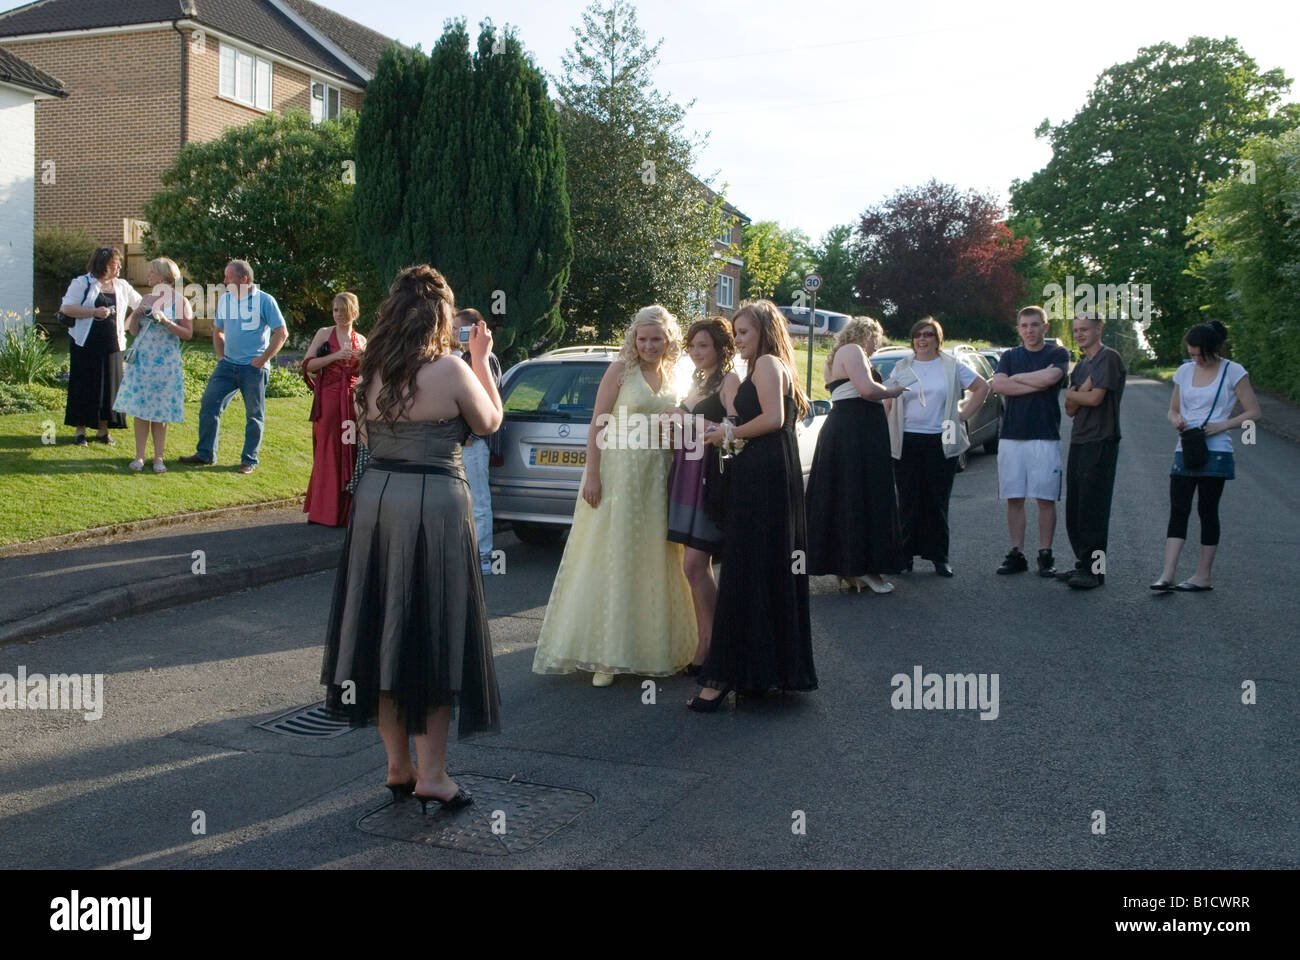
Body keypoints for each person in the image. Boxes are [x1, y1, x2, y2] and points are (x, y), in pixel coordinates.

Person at [321, 265, 502, 812]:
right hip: (436, 506)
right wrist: (479, 359)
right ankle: (434, 776)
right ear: (442, 316)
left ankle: (397, 767)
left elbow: (364, 427)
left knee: (382, 631)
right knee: (434, 634)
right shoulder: (449, 369)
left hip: (377, 501)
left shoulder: (371, 368)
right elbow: (490, 421)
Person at [532, 306, 698, 687]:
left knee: (656, 556)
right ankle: (606, 655)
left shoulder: (674, 374)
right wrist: (591, 475)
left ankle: (655, 646)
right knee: (615, 554)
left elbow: (676, 427)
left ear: (668, 339)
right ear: (633, 339)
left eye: (656, 339)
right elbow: (597, 424)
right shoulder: (620, 370)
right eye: (642, 339)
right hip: (618, 473)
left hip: (659, 473)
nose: (649, 345)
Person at [689, 299, 818, 712]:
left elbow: (773, 420)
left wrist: (725, 436)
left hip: (762, 477)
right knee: (758, 569)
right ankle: (761, 671)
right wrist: (723, 428)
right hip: (764, 472)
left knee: (745, 569)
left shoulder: (767, 365)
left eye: (743, 332)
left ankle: (723, 678)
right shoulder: (766, 367)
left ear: (763, 330)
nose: (738, 339)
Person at [1151, 321, 1260, 593]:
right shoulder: (1184, 371)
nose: (1195, 360)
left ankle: (1203, 575)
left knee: (1207, 511)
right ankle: (1168, 574)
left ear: (1214, 350)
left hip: (1217, 450)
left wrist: (1223, 425)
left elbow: (1254, 413)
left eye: (1200, 355)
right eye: (1192, 354)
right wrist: (1176, 420)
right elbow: (1172, 409)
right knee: (1178, 509)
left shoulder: (1233, 371)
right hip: (1186, 446)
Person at [807, 316, 907, 593]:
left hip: (850, 431)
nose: (877, 345)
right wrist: (893, 390)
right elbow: (867, 390)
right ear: (868, 334)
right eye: (877, 338)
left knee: (848, 496)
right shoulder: (853, 351)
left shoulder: (841, 354)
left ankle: (851, 566)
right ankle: (861, 568)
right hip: (856, 433)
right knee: (861, 495)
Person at [885, 317, 989, 577]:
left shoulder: (951, 366)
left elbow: (982, 387)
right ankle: (904, 557)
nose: (922, 339)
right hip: (907, 440)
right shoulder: (903, 366)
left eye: (928, 335)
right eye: (918, 334)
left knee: (936, 501)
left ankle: (939, 557)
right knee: (907, 501)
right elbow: (888, 399)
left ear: (937, 339)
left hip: (941, 440)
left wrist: (962, 415)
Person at [667, 317, 740, 673]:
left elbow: (736, 431)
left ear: (721, 348)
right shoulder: (695, 379)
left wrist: (691, 422)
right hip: (687, 474)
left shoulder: (730, 380)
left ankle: (710, 647)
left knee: (695, 564)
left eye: (704, 346)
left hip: (712, 478)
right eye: (692, 346)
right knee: (696, 567)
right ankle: (707, 642)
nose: (696, 352)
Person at [179, 260, 287, 474]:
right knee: (209, 405)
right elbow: (218, 331)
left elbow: (281, 332)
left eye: (228, 277)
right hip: (228, 366)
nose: (224, 280)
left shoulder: (265, 301)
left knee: (254, 415)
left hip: (253, 369)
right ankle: (205, 454)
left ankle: (249, 460)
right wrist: (221, 356)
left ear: (243, 279)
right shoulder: (226, 300)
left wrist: (264, 358)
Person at [990, 306, 1070, 577]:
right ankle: (1017, 553)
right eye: (1024, 326)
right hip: (1012, 436)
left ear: (1045, 327)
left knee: (1046, 498)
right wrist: (1035, 383)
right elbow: (998, 385)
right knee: (1014, 497)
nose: (1029, 330)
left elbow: (1052, 377)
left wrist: (1019, 379)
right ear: (1019, 328)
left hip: (1044, 436)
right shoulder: (1010, 355)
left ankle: (1045, 554)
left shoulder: (1057, 353)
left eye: (1034, 325)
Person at [1060, 310, 1126, 589]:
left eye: (1084, 329)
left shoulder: (1108, 358)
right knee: (1075, 508)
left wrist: (1076, 393)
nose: (1079, 334)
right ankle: (1081, 563)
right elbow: (1070, 409)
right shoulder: (1082, 366)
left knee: (1094, 509)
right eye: (1076, 330)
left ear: (1099, 329)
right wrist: (1078, 393)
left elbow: (1096, 398)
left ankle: (1095, 571)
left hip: (1101, 440)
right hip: (1079, 439)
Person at [112, 258, 193, 472]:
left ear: (163, 276)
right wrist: (137, 315)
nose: (148, 275)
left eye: (151, 272)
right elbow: (133, 331)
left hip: (166, 362)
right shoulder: (146, 298)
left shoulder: (180, 301)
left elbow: (188, 333)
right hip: (143, 361)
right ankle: (139, 457)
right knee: (141, 410)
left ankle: (158, 458)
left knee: (160, 412)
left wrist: (166, 321)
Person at [62, 246, 142, 446]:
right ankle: (80, 431)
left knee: (110, 388)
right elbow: (66, 308)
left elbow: (140, 304)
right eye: (115, 265)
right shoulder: (82, 283)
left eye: (119, 264)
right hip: (85, 344)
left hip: (113, 344)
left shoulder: (122, 286)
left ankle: (103, 431)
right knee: (84, 385)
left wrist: (128, 323)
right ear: (102, 265)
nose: (119, 268)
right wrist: (94, 312)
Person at [301, 293, 367, 526]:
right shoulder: (324, 333)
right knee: (327, 451)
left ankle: (347, 512)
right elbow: (308, 365)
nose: (338, 314)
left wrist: (365, 359)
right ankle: (324, 512)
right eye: (335, 310)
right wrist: (335, 356)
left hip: (351, 403)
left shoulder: (362, 340)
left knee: (350, 450)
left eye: (343, 310)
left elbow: (367, 374)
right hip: (328, 401)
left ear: (354, 313)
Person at [452, 308, 502, 575]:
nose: (453, 334)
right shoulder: (460, 358)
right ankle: (467, 552)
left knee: (478, 499)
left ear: (476, 329)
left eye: (459, 329)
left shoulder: (485, 358)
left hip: (475, 442)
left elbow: (486, 399)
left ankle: (484, 557)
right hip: (460, 442)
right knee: (462, 499)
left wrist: (472, 436)